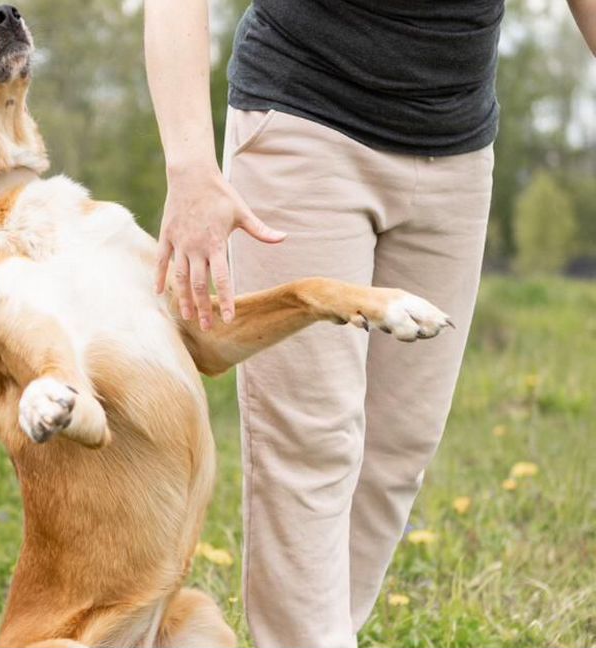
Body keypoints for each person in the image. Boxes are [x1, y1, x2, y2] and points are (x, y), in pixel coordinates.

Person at [144, 2, 596, 647]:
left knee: (398, 449)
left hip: (457, 148)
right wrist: (190, 169)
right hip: (306, 124)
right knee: (310, 442)